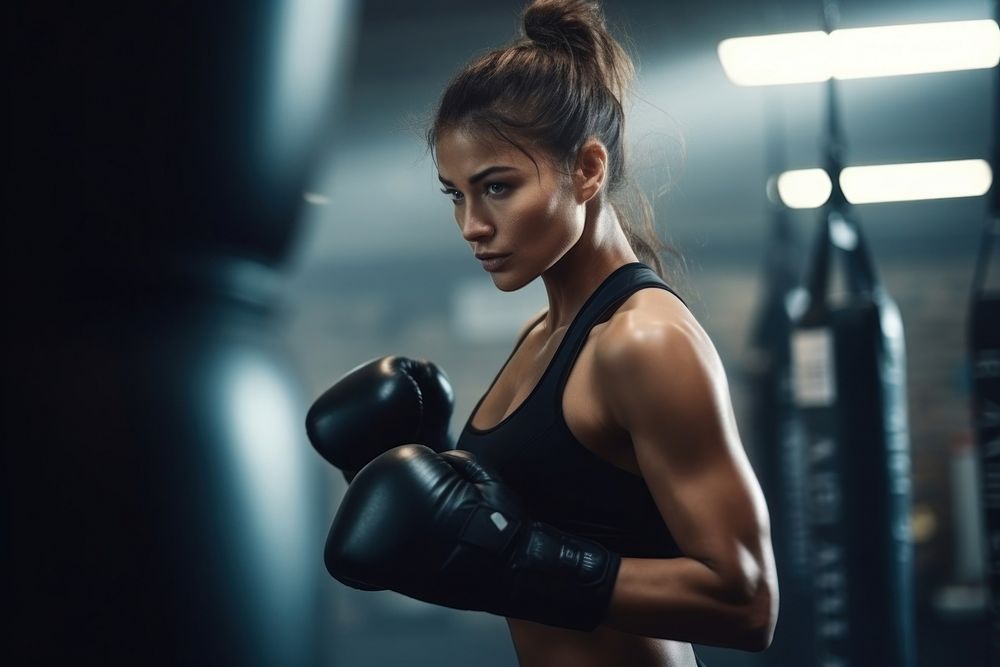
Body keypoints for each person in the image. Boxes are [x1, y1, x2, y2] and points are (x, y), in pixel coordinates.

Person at [308, 2, 778, 666]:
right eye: (455, 195)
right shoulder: (541, 333)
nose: (472, 223)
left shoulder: (644, 341)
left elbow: (747, 600)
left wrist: (524, 557)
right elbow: (530, 524)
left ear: (586, 170)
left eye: (497, 187)